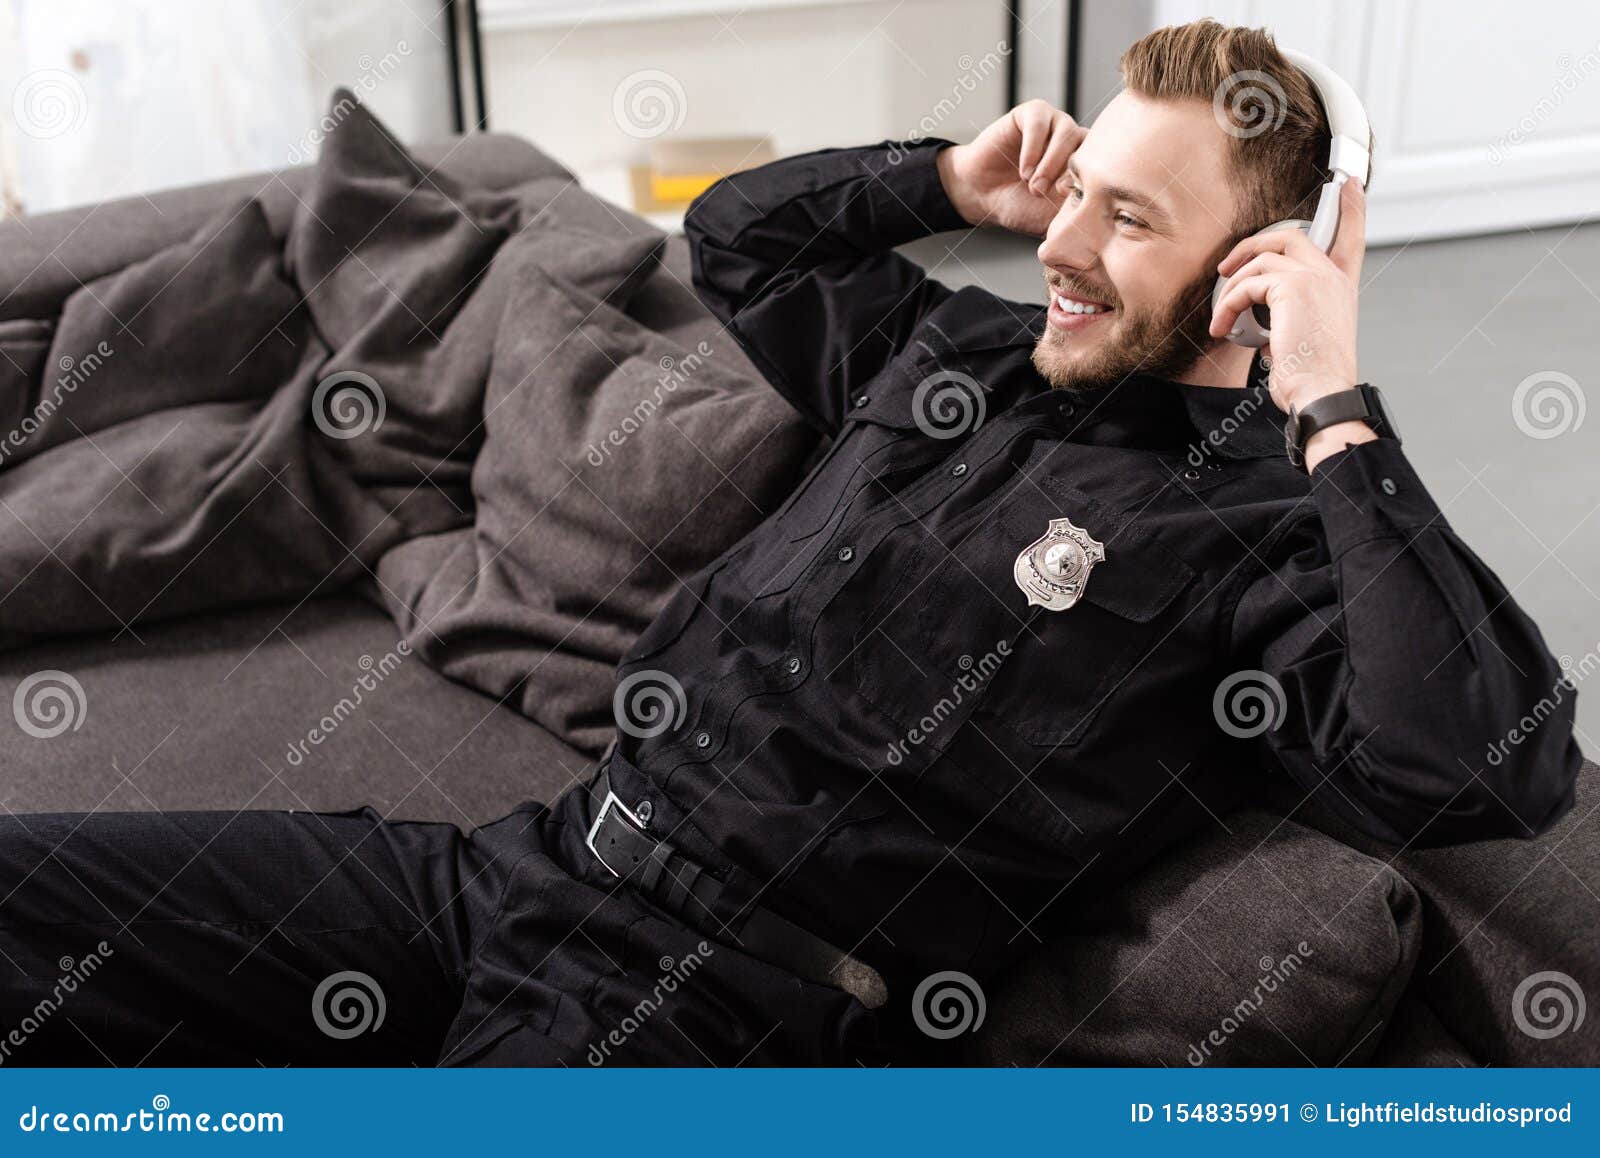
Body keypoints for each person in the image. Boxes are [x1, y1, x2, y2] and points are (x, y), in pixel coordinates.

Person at [0, 19, 1578, 1067]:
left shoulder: (1268, 534)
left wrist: (1334, 405)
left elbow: (1486, 763)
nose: (1064, 245)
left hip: (712, 1002)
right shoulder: (963, 350)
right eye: (1077, 194)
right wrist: (940, 177)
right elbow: (739, 242)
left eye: (1129, 220)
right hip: (512, 870)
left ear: (1264, 268)